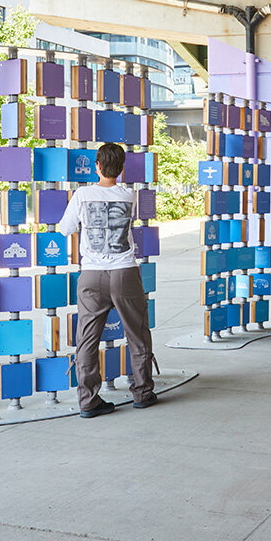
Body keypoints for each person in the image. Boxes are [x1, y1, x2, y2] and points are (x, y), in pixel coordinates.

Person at [57, 142, 157, 418]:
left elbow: (64, 229)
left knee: (87, 339)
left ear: (96, 167)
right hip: (125, 272)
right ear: (122, 169)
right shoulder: (129, 196)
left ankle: (88, 400)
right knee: (137, 334)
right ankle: (142, 393)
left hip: (91, 275)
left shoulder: (82, 194)